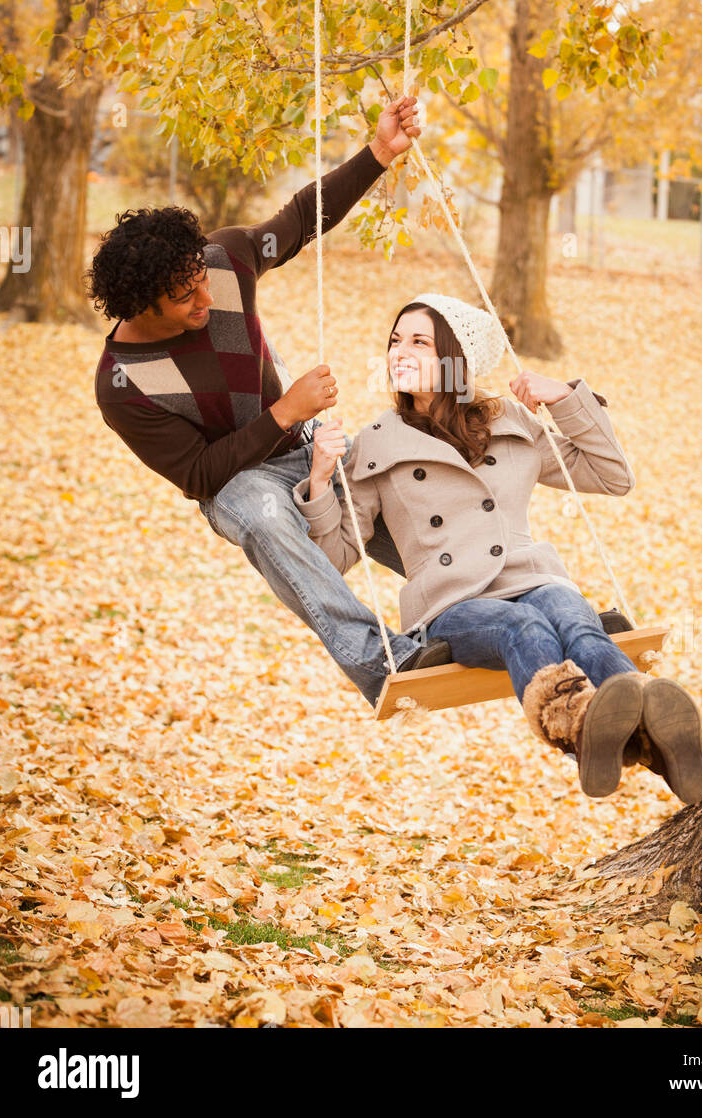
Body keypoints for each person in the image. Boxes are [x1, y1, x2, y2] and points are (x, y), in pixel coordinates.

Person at [86, 98, 453, 707]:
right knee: (262, 512)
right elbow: (202, 475)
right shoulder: (121, 385)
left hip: (304, 451)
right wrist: (285, 413)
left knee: (406, 479)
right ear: (140, 304)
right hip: (238, 483)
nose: (206, 293)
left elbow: (303, 216)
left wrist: (381, 152)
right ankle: (387, 662)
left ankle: (511, 606)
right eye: (184, 295)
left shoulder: (222, 258)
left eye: (201, 275)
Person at [292, 293, 702, 803]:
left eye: (419, 341)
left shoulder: (510, 420)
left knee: (572, 616)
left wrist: (564, 397)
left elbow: (611, 475)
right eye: (394, 341)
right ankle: (581, 727)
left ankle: (659, 734)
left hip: (531, 576)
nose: (399, 352)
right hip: (453, 604)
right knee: (524, 626)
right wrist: (318, 480)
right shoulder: (376, 444)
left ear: (455, 360)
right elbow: (334, 558)